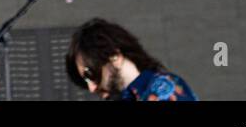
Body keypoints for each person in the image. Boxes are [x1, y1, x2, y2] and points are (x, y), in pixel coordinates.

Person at [65, 18, 198, 101]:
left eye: (89, 74)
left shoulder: (163, 89)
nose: (91, 87)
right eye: (85, 81)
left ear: (114, 56)